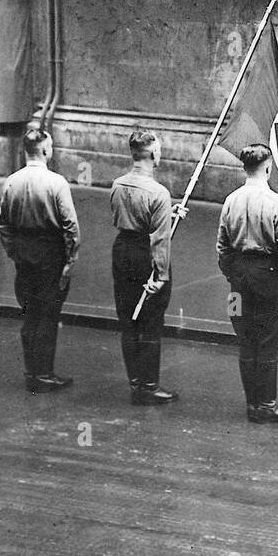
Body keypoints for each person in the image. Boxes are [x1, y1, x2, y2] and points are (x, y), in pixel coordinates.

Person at [216, 143, 278, 423]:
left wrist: (231, 272)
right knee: (266, 338)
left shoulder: (231, 200)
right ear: (268, 167)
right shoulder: (276, 203)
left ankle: (252, 403)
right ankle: (266, 404)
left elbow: (222, 245)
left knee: (244, 337)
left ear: (245, 167)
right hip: (268, 275)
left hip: (239, 277)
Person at [0, 128, 79, 393]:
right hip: (50, 255)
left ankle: (32, 371)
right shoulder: (57, 183)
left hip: (24, 255)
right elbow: (70, 227)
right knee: (48, 314)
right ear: (45, 150)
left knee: (30, 313)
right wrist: (70, 260)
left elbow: (3, 223)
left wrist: (13, 250)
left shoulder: (11, 181)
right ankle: (44, 373)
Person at [110, 128, 181, 404]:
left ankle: (135, 381)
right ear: (153, 154)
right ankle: (150, 386)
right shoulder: (159, 193)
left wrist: (167, 213)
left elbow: (128, 215)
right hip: (146, 255)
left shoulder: (118, 184)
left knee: (127, 319)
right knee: (151, 320)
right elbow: (160, 239)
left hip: (122, 250)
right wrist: (161, 275)